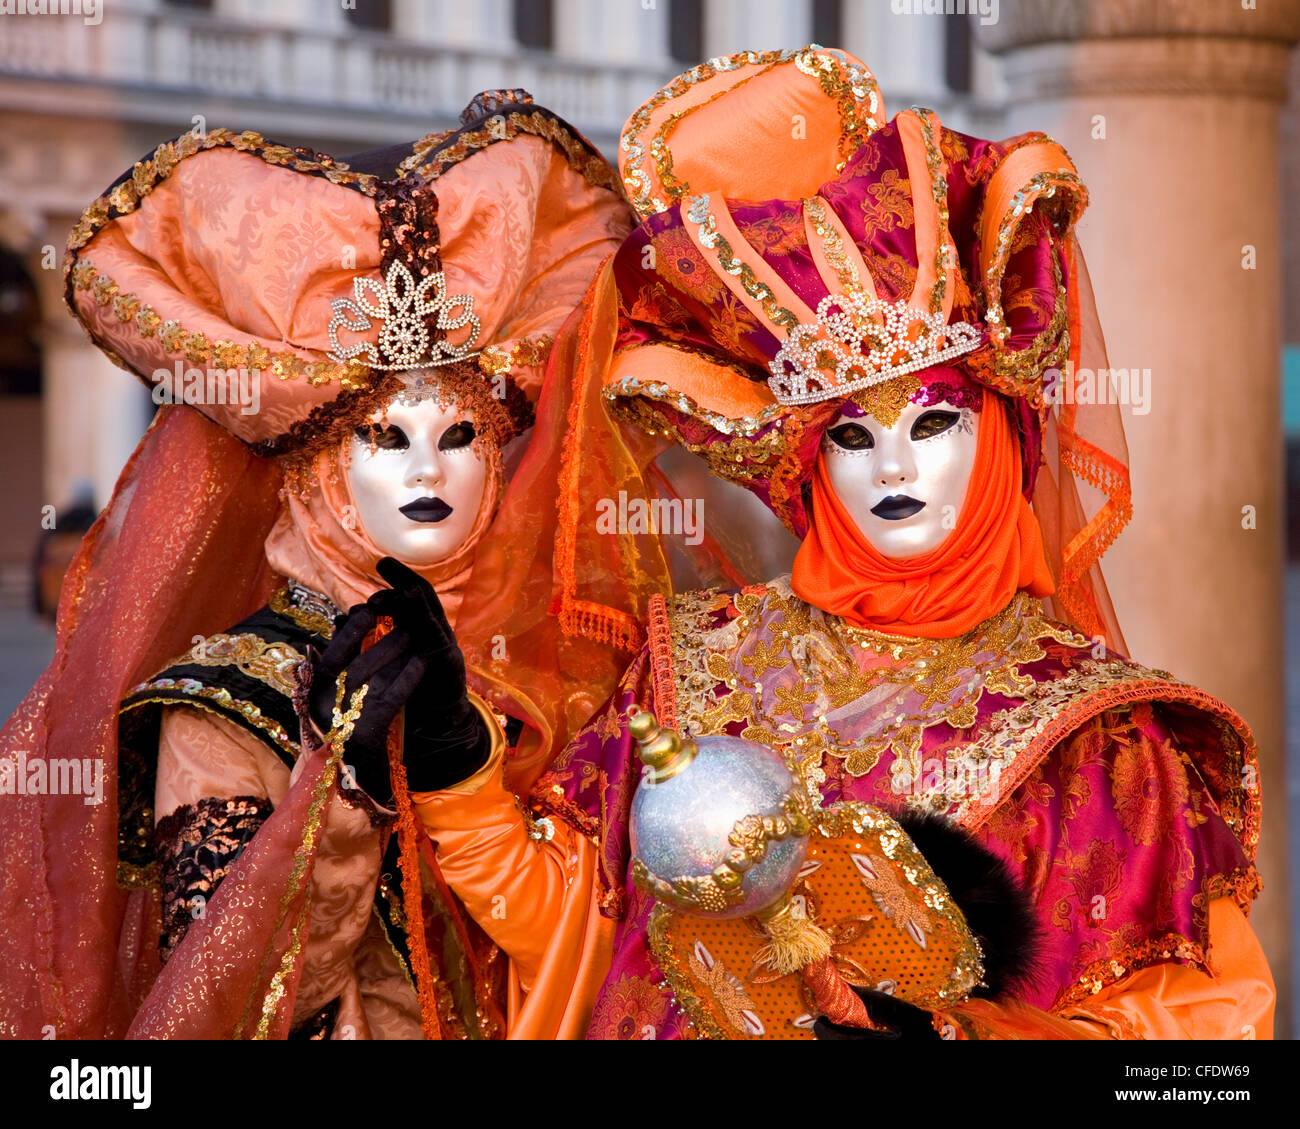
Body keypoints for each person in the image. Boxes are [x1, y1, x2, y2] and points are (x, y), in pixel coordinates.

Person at [401, 48, 1274, 1040]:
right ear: (807, 468)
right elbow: (579, 943)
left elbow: (1199, 1038)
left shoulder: (1103, 740)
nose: (890, 469)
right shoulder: (686, 667)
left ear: (1004, 439)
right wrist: (455, 773)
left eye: (934, 425)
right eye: (850, 437)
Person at [0, 90, 630, 1039]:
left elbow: (630, 957)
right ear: (312, 470)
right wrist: (343, 799)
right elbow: (228, 1004)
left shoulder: (578, 658)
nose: (427, 467)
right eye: (383, 435)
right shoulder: (224, 699)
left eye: (460, 433)